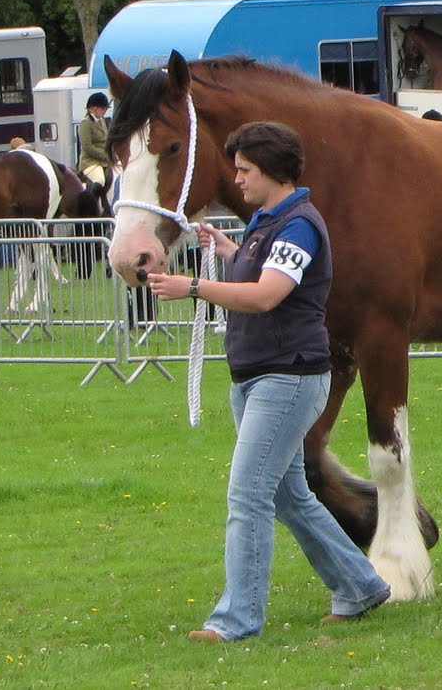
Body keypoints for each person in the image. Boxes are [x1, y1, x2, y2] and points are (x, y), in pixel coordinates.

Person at [146, 120, 389, 641]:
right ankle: (360, 583)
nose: (237, 180)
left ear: (274, 172)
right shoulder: (265, 222)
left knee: (247, 495)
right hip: (259, 377)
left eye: (246, 170)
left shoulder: (299, 225)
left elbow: (265, 296)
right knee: (286, 496)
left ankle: (238, 618)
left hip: (288, 378)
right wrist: (232, 252)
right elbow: (257, 275)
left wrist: (192, 286)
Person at [77, 92, 112, 192]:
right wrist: (106, 155)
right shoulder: (85, 123)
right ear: (94, 108)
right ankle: (95, 205)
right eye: (103, 108)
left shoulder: (102, 121)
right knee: (100, 180)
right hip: (90, 162)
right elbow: (87, 146)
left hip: (105, 161)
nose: (105, 111)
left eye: (105, 109)